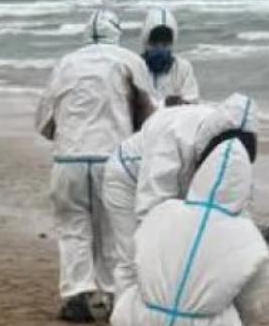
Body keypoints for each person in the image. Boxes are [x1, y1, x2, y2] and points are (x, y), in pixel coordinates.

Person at [111, 136, 268, 326]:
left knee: (146, 289)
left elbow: (137, 263)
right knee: (229, 313)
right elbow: (250, 305)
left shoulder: (164, 212)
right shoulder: (249, 236)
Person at [36, 9, 156, 321]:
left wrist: (64, 137)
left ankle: (78, 293)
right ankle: (116, 296)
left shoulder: (66, 63)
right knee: (114, 231)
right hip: (112, 157)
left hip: (68, 159)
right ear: (116, 32)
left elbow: (44, 119)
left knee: (73, 229)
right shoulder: (129, 61)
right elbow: (149, 111)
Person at [103, 92, 258, 299]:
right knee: (135, 256)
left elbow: (234, 200)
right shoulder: (173, 133)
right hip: (127, 178)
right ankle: (127, 322)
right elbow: (152, 211)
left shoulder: (236, 147)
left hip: (178, 179)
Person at [138, 5, 198, 106]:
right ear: (146, 41)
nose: (160, 48)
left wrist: (180, 103)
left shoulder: (182, 68)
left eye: (165, 43)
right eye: (154, 43)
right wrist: (163, 104)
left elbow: (192, 100)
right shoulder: (134, 68)